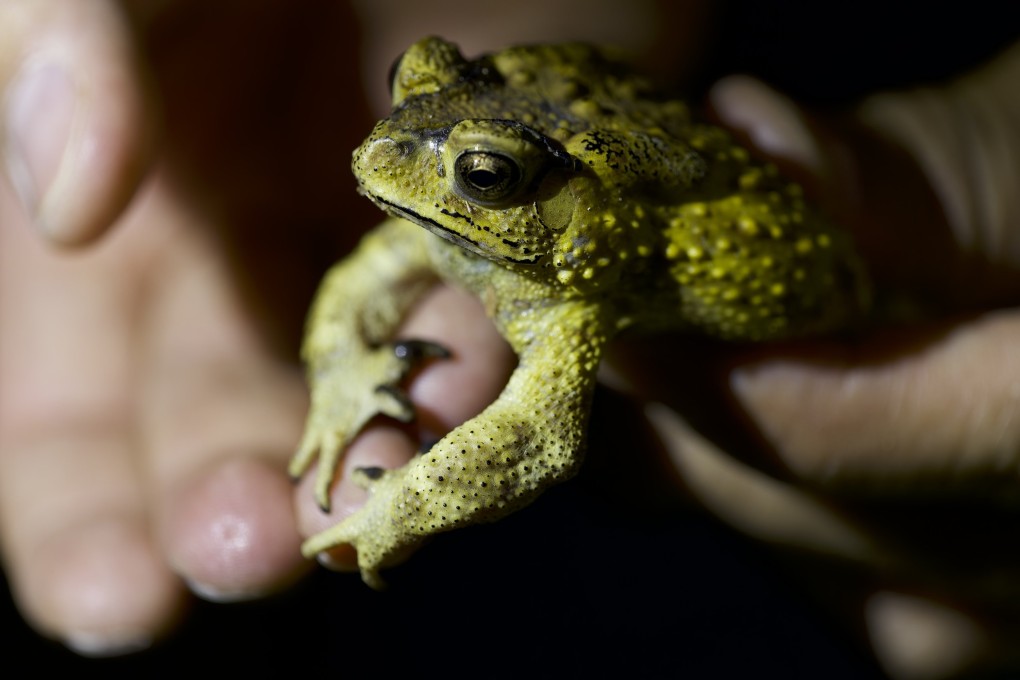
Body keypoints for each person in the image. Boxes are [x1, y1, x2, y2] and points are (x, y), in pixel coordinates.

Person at [1, 1, 1018, 677]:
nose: (391, 147)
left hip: (851, 293)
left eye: (479, 174)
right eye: (410, 87)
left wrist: (400, 507)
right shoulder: (455, 212)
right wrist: (343, 381)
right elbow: (356, 289)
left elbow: (538, 434)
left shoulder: (575, 287)